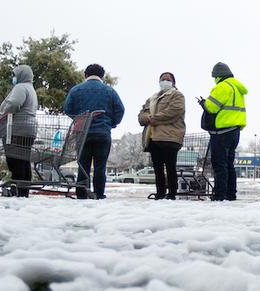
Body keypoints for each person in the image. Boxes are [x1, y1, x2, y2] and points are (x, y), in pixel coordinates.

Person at [63, 64, 125, 200]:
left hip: (82, 134)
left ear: (85, 75)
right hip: (102, 132)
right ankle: (99, 194)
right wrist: (111, 123)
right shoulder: (110, 91)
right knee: (100, 166)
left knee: (83, 165)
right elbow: (120, 110)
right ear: (102, 76)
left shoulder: (76, 90)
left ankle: (81, 193)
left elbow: (67, 109)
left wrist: (79, 119)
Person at [199, 62, 247, 201]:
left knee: (219, 165)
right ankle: (231, 194)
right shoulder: (236, 88)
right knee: (229, 165)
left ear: (218, 76)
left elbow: (212, 107)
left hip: (222, 132)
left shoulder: (222, 87)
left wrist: (204, 103)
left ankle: (219, 195)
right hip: (235, 131)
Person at [138, 72, 186, 200]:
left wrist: (152, 118)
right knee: (157, 167)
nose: (165, 81)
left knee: (170, 166)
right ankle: (160, 193)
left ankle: (171, 193)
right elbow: (142, 115)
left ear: (173, 82)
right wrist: (146, 118)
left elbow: (172, 113)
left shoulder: (177, 95)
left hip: (170, 137)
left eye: (168, 79)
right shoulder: (153, 98)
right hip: (153, 137)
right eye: (162, 79)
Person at [0, 65, 38, 197]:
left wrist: (3, 113)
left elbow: (14, 103)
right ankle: (23, 191)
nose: (13, 78)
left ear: (21, 75)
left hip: (17, 129)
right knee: (24, 161)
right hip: (29, 129)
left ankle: (19, 190)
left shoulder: (20, 87)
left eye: (15, 75)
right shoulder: (31, 89)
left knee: (15, 161)